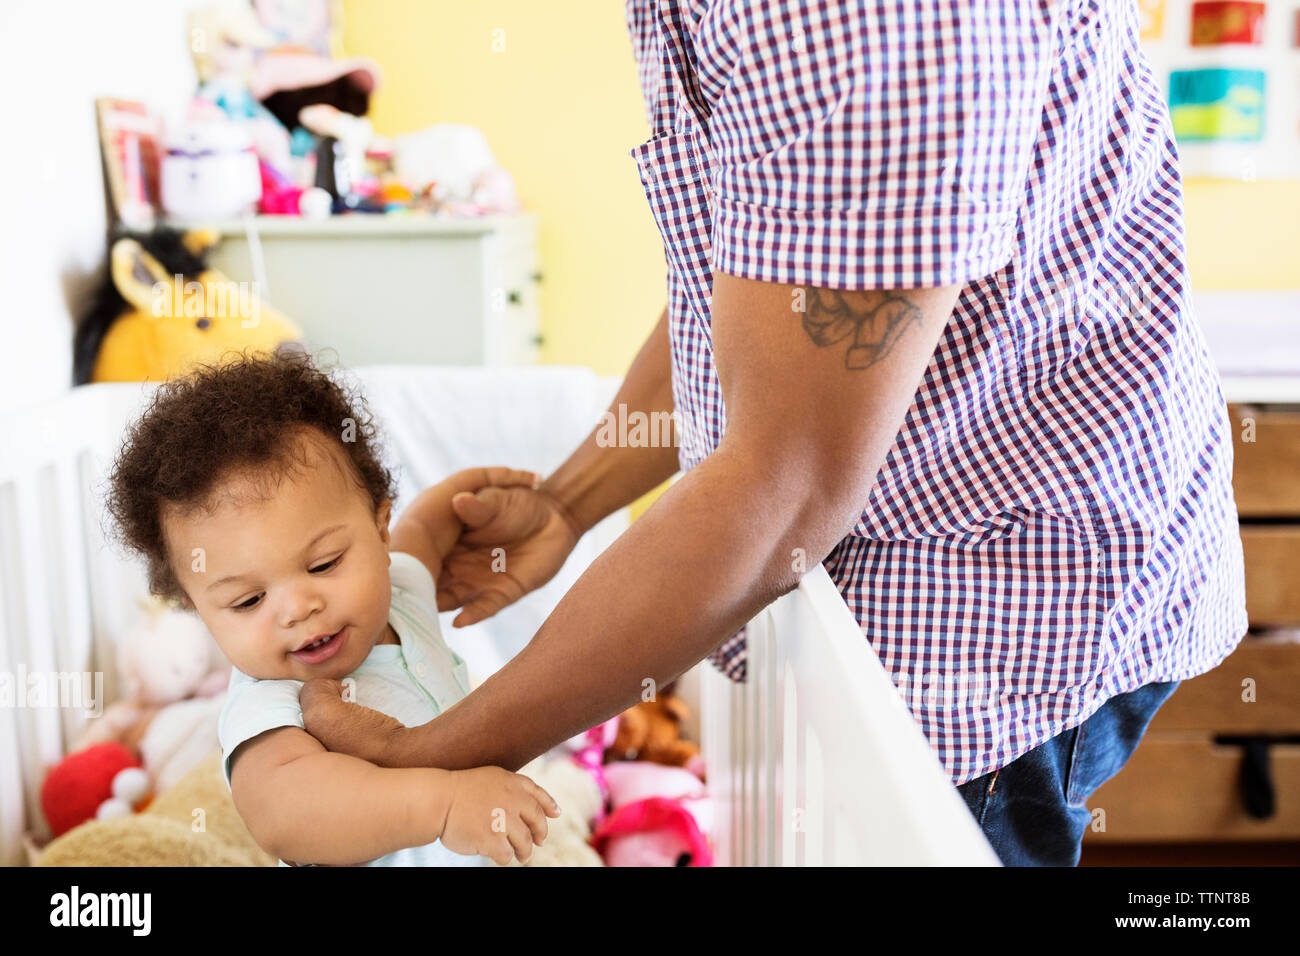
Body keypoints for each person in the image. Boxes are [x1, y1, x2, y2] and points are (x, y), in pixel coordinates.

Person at [301, 1, 1248, 865]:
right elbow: (775, 298)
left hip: (1012, 590)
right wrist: (567, 500)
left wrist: (433, 754)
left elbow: (786, 479)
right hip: (902, 527)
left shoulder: (872, 24)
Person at [106, 355, 558, 866]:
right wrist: (443, 805)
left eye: (323, 564)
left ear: (379, 528)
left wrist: (462, 496)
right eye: (248, 601)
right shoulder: (271, 702)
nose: (298, 608)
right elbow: (286, 814)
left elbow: (425, 535)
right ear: (199, 611)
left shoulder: (402, 589)